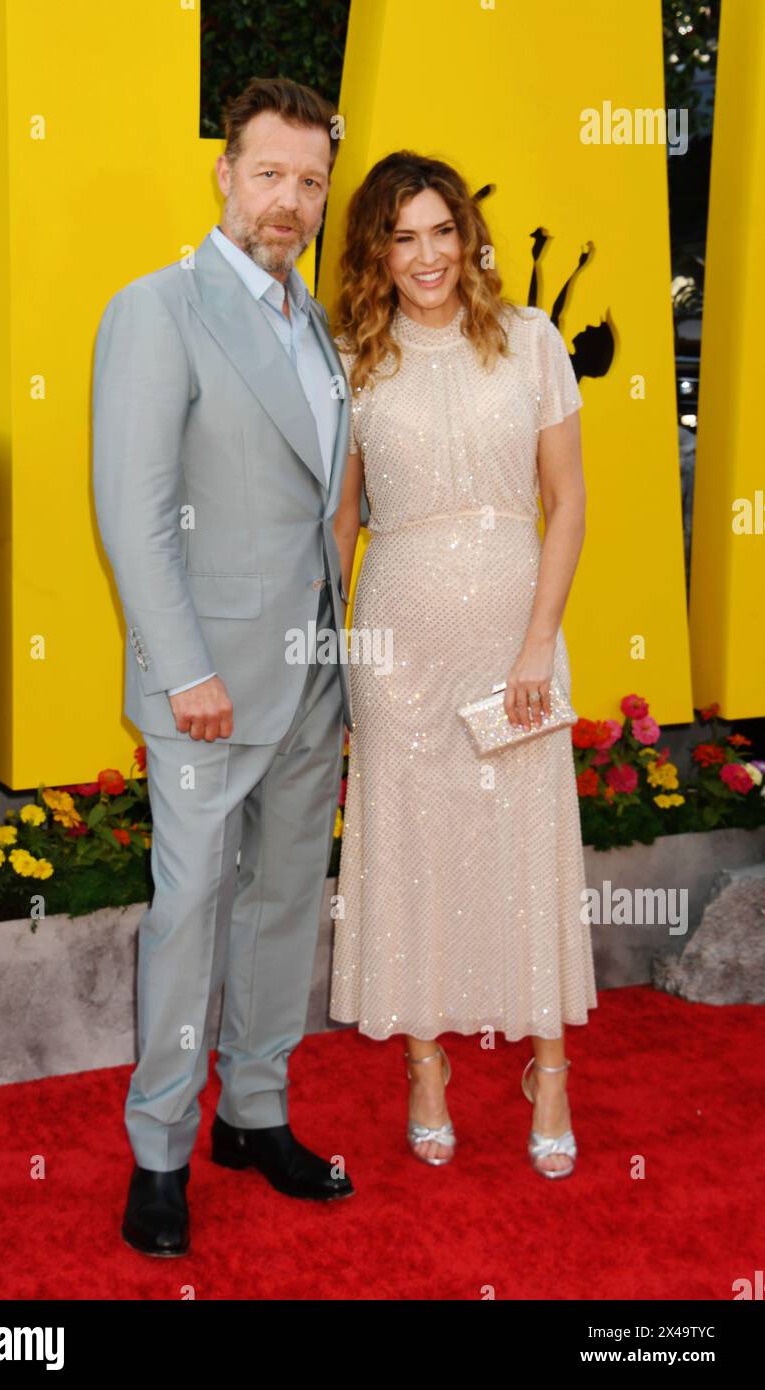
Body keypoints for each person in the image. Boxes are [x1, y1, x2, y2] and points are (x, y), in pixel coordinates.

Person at [92, 77, 355, 1258]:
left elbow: (322, 509)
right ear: (225, 173)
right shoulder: (158, 309)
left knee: (282, 902)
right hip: (208, 689)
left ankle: (253, 1112)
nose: (289, 201)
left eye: (310, 180)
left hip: (310, 676)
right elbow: (131, 514)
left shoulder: (322, 331)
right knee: (188, 912)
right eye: (269, 174)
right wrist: (184, 667)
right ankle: (158, 1149)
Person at [329, 151, 598, 1178]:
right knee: (414, 847)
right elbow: (344, 523)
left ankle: (551, 1067)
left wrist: (539, 642)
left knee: (525, 840)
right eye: (404, 236)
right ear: (377, 253)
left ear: (470, 237)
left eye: (443, 230)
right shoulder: (356, 357)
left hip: (511, 635)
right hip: (397, 644)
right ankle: (427, 1064)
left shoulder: (531, 341)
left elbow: (566, 501)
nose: (427, 254)